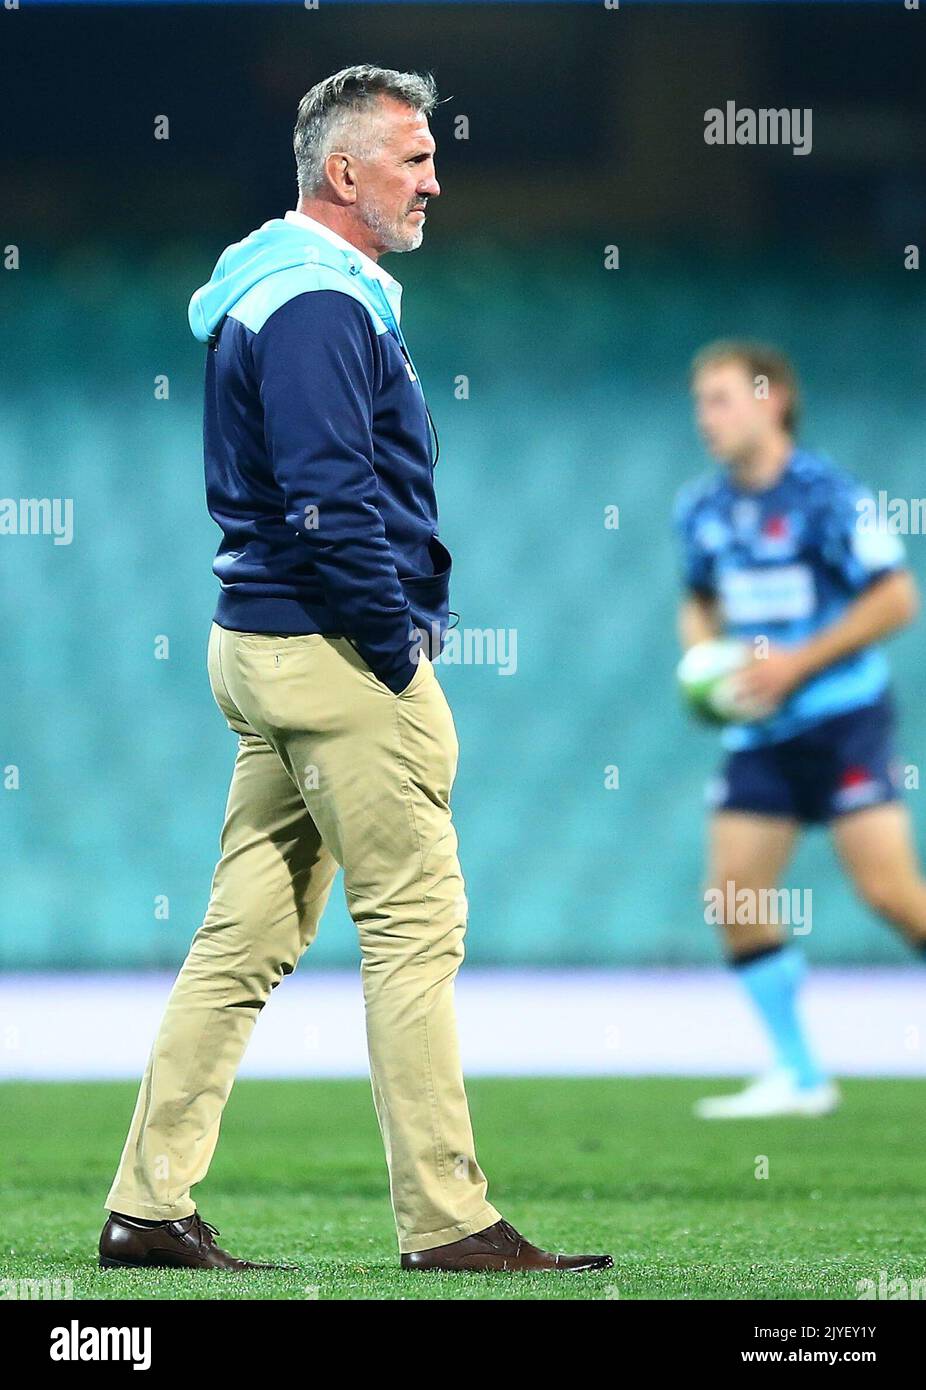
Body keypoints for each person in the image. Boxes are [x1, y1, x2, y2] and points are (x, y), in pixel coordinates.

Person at [99, 65, 611, 1274]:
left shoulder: (273, 291)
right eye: (414, 158)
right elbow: (329, 499)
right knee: (414, 929)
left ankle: (146, 1206)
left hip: (264, 644)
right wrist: (397, 648)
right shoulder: (322, 306)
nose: (435, 179)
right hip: (332, 655)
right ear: (343, 173)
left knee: (241, 938)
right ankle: (448, 1221)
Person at [675, 340, 923, 1119]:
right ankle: (800, 1074)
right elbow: (699, 598)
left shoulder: (827, 496)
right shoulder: (703, 509)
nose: (705, 418)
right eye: (698, 402)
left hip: (843, 718)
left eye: (719, 398)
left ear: (770, 396)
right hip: (762, 731)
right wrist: (706, 663)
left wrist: (798, 664)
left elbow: (895, 599)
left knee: (888, 893)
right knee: (735, 899)